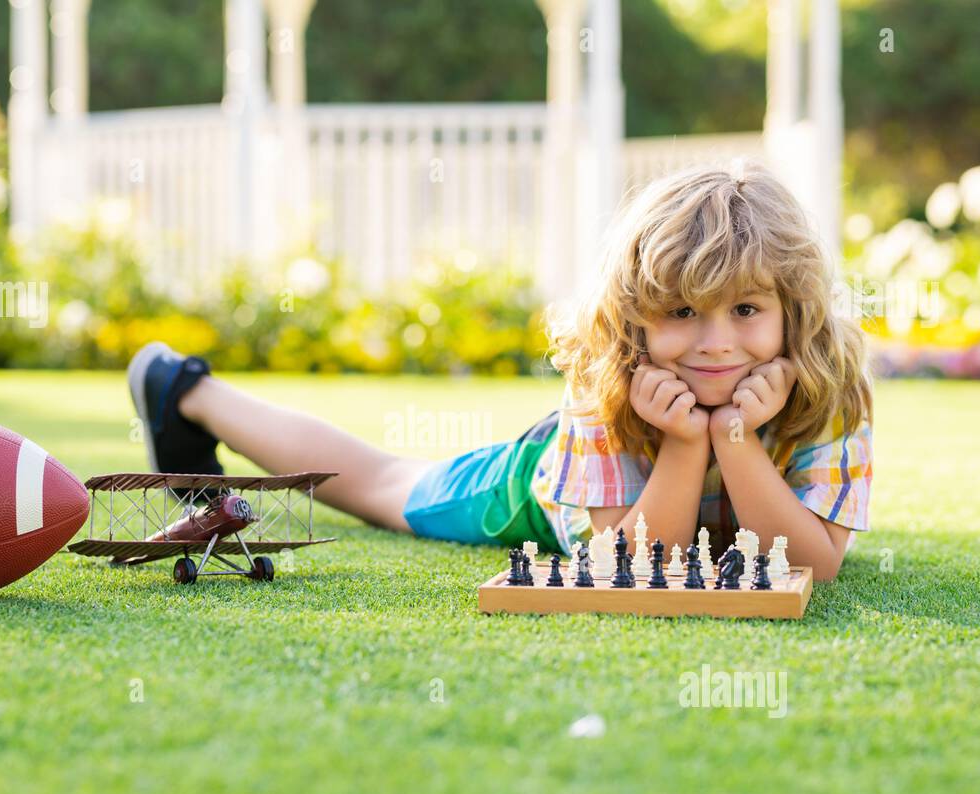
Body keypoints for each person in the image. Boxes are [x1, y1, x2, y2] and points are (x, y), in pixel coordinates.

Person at [127, 160, 872, 581]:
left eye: (745, 311)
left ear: (792, 312)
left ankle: (193, 398)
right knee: (388, 485)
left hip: (679, 482)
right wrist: (684, 445)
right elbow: (639, 565)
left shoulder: (825, 388)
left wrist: (733, 439)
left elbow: (817, 565)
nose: (715, 344)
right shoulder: (607, 386)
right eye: (682, 313)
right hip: (541, 483)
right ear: (639, 316)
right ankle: (188, 392)